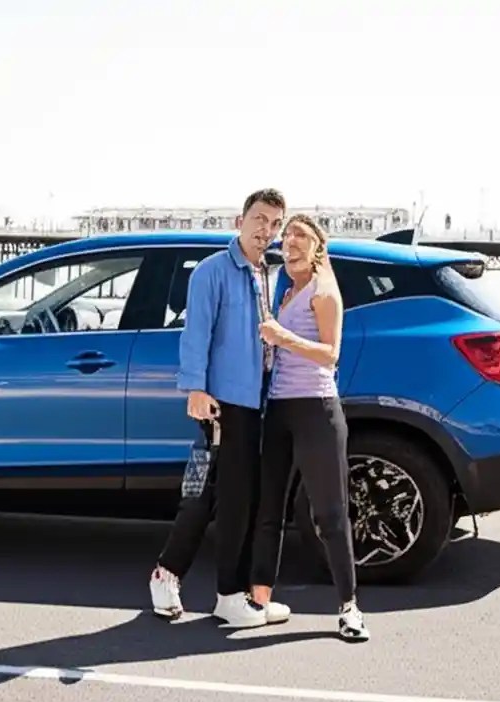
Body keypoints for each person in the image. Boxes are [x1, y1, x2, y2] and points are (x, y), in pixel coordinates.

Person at [148, 188, 291, 629]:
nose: (266, 230)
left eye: (275, 224)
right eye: (260, 219)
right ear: (239, 221)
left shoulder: (266, 273)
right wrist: (195, 388)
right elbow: (196, 334)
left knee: (212, 492)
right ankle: (229, 596)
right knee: (231, 499)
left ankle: (169, 574)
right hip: (225, 403)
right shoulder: (212, 271)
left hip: (260, 401)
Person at [248, 213, 369, 641]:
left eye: (301, 235)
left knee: (330, 515)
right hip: (279, 409)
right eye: (288, 236)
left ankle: (350, 608)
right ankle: (259, 601)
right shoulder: (285, 293)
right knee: (268, 511)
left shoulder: (324, 291)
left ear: (318, 247)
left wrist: (281, 337)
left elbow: (330, 354)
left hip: (317, 409)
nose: (291, 241)